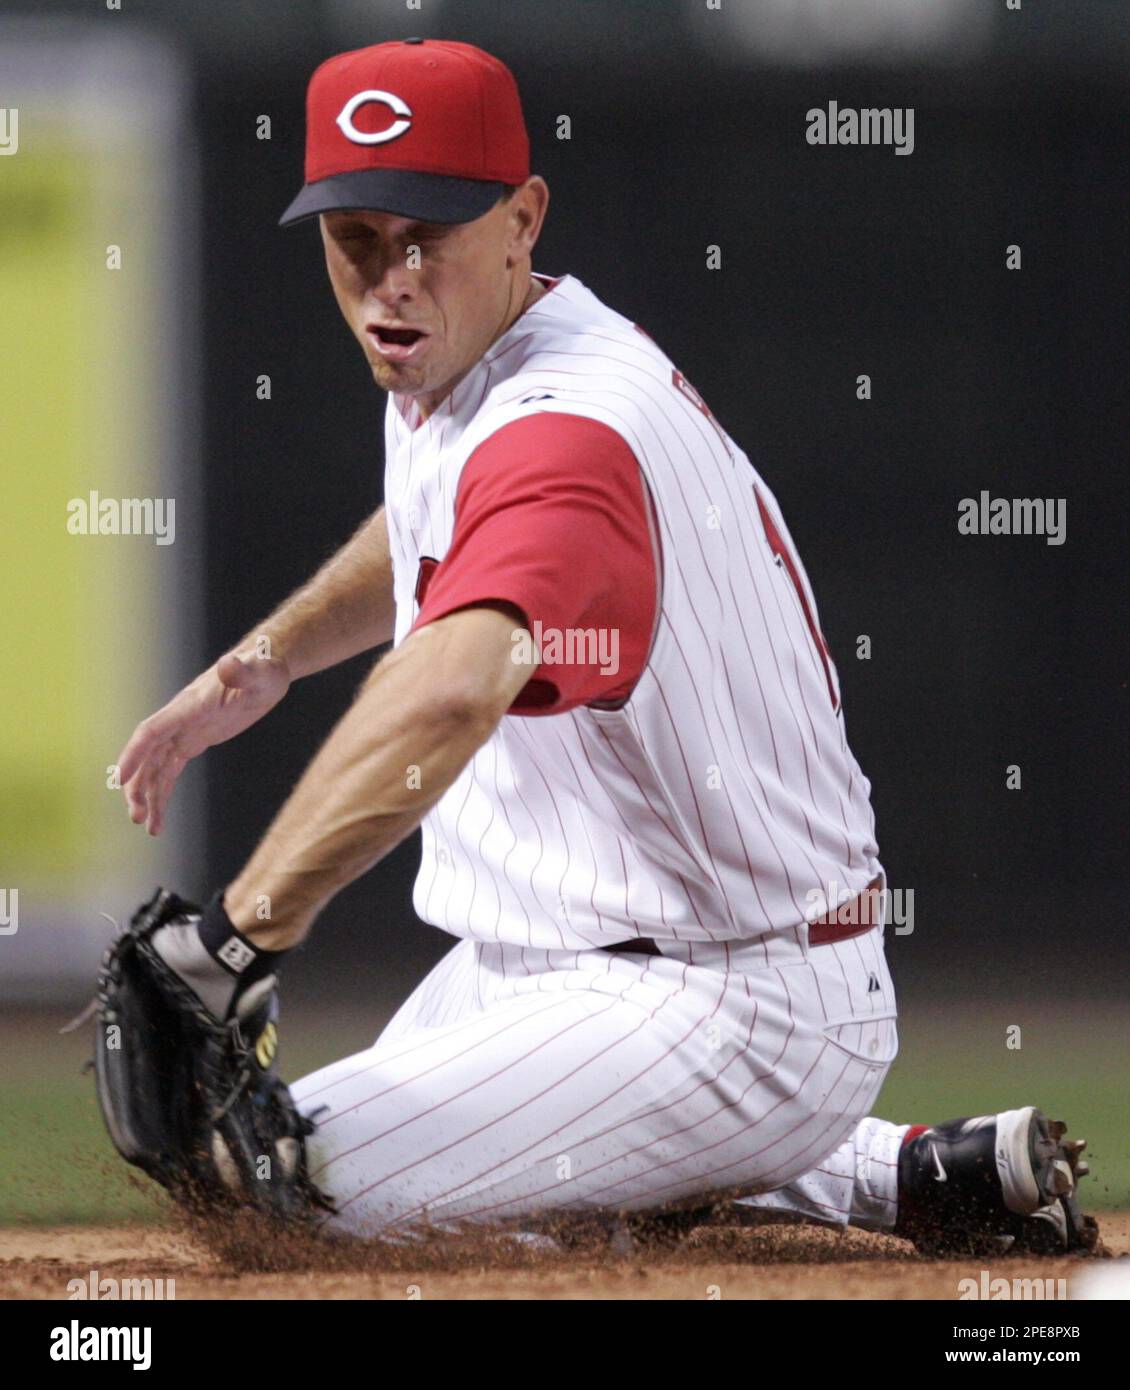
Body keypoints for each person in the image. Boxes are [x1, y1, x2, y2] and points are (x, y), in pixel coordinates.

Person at [115, 39, 1094, 1253]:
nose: (390, 279)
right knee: (276, 1157)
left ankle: (723, 1169)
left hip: (726, 992)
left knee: (274, 1190)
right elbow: (432, 518)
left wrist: (239, 931)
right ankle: (909, 1176)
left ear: (522, 216)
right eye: (356, 236)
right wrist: (266, 658)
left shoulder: (568, 433)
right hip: (547, 964)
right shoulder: (466, 358)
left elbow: (448, 690)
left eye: (429, 230)